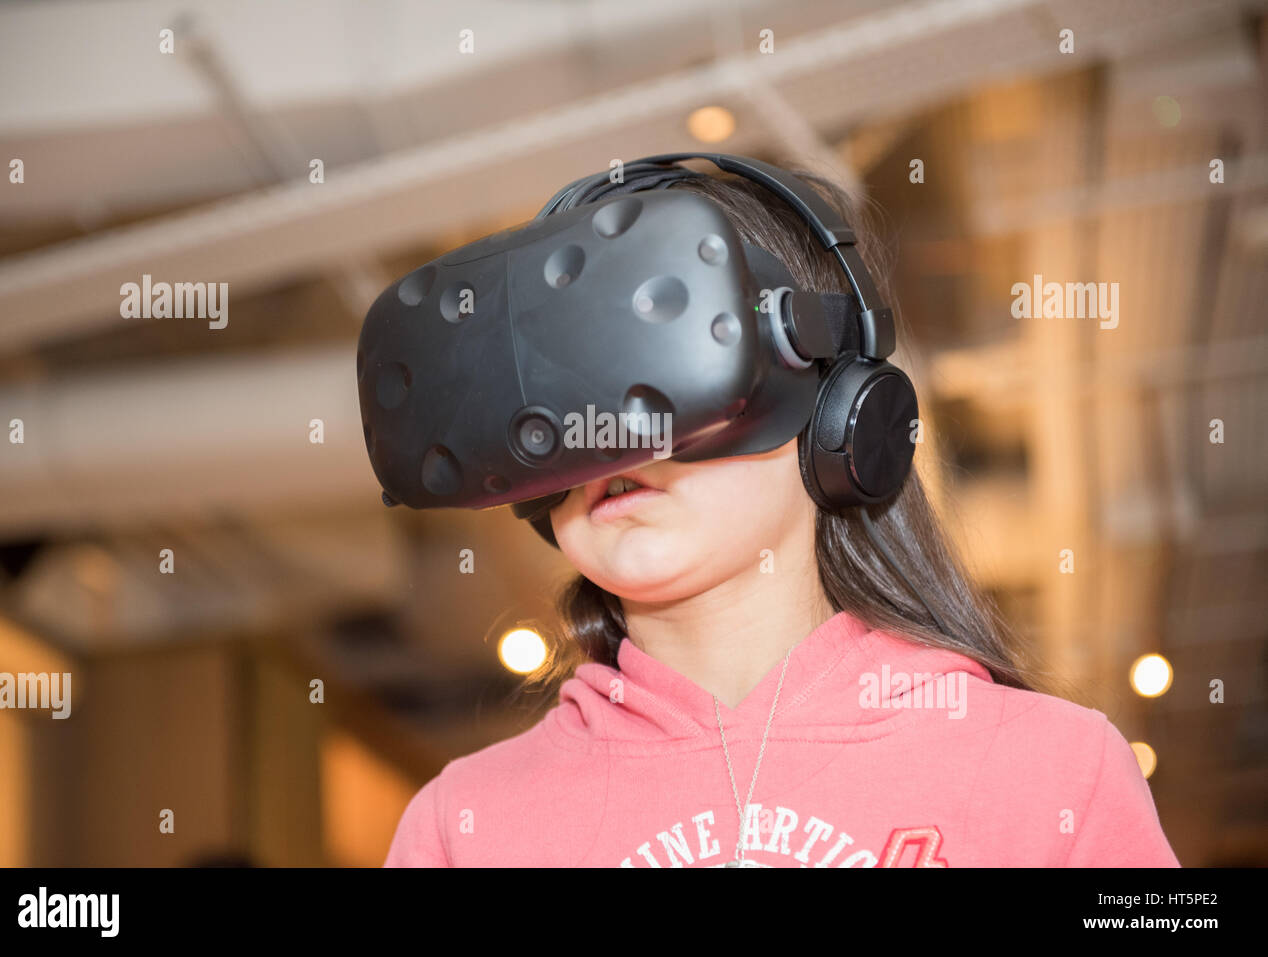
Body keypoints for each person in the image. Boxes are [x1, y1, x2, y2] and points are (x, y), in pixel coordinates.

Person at [382, 164, 1180, 867]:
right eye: (568, 395)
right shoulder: (463, 828)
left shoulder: (1054, 771)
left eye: (661, 361)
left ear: (835, 407)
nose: (618, 439)